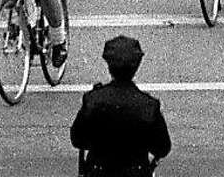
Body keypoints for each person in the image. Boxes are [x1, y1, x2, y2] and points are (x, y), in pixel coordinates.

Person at [70, 33, 172, 177]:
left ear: (109, 65)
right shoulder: (148, 105)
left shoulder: (93, 100)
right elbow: (162, 148)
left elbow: (78, 139)